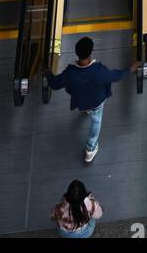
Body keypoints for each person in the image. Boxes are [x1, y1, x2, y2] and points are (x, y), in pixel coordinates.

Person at [45, 35, 141, 163]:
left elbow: (55, 84)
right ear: (91, 52)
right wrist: (130, 68)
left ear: (77, 53)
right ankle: (90, 150)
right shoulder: (98, 71)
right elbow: (116, 76)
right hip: (96, 102)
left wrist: (48, 73)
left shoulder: (70, 73)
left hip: (81, 102)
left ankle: (86, 112)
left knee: (89, 110)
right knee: (96, 122)